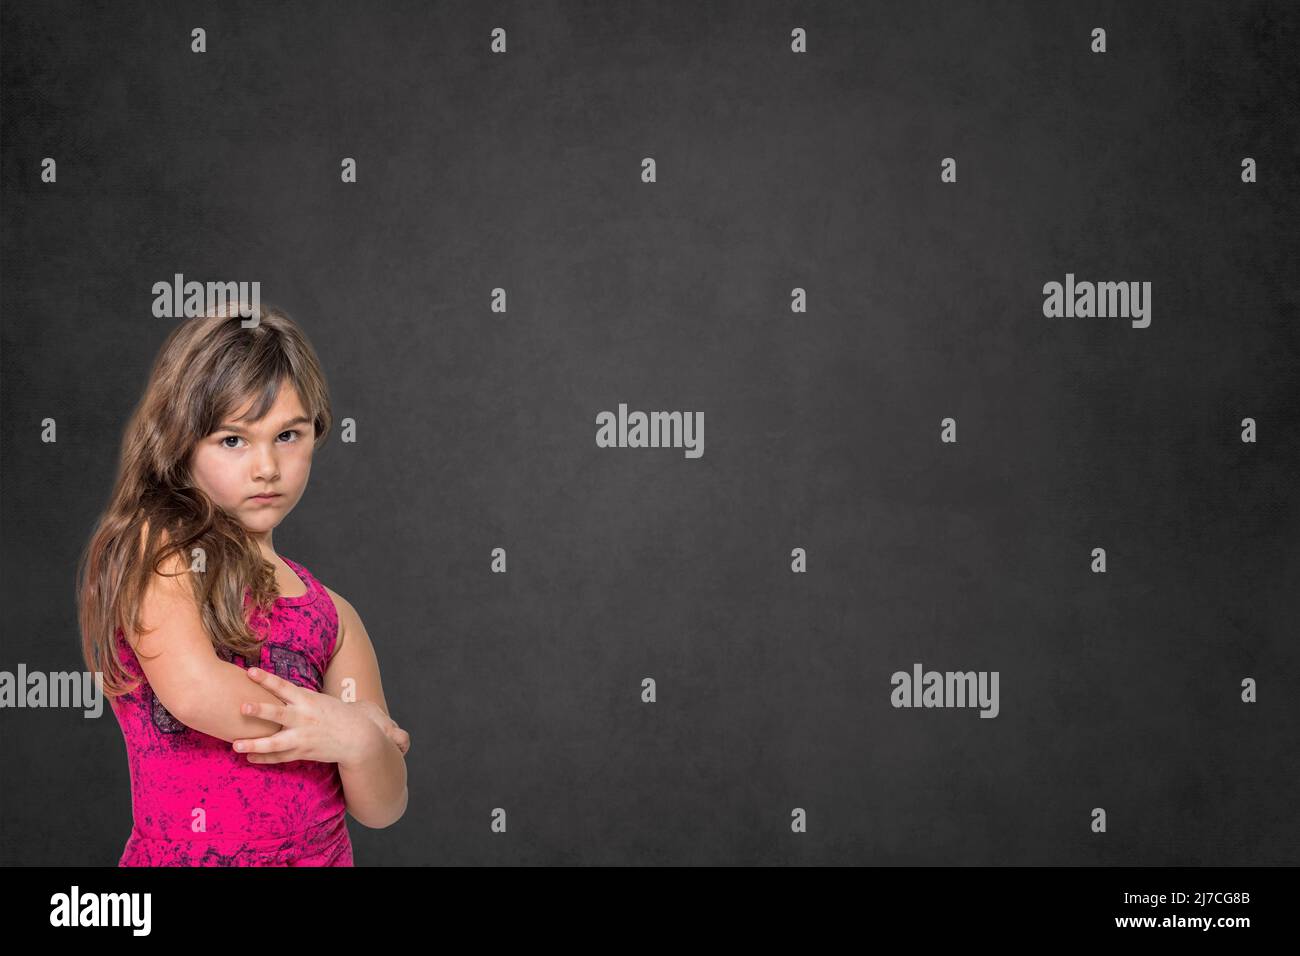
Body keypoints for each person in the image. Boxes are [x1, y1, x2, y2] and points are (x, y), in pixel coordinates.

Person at [76, 300, 410, 865]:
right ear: (180, 444)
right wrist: (341, 725)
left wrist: (357, 741)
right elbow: (197, 692)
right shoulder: (157, 549)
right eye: (233, 440)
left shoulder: (333, 614)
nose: (266, 468)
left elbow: (382, 805)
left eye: (288, 435)